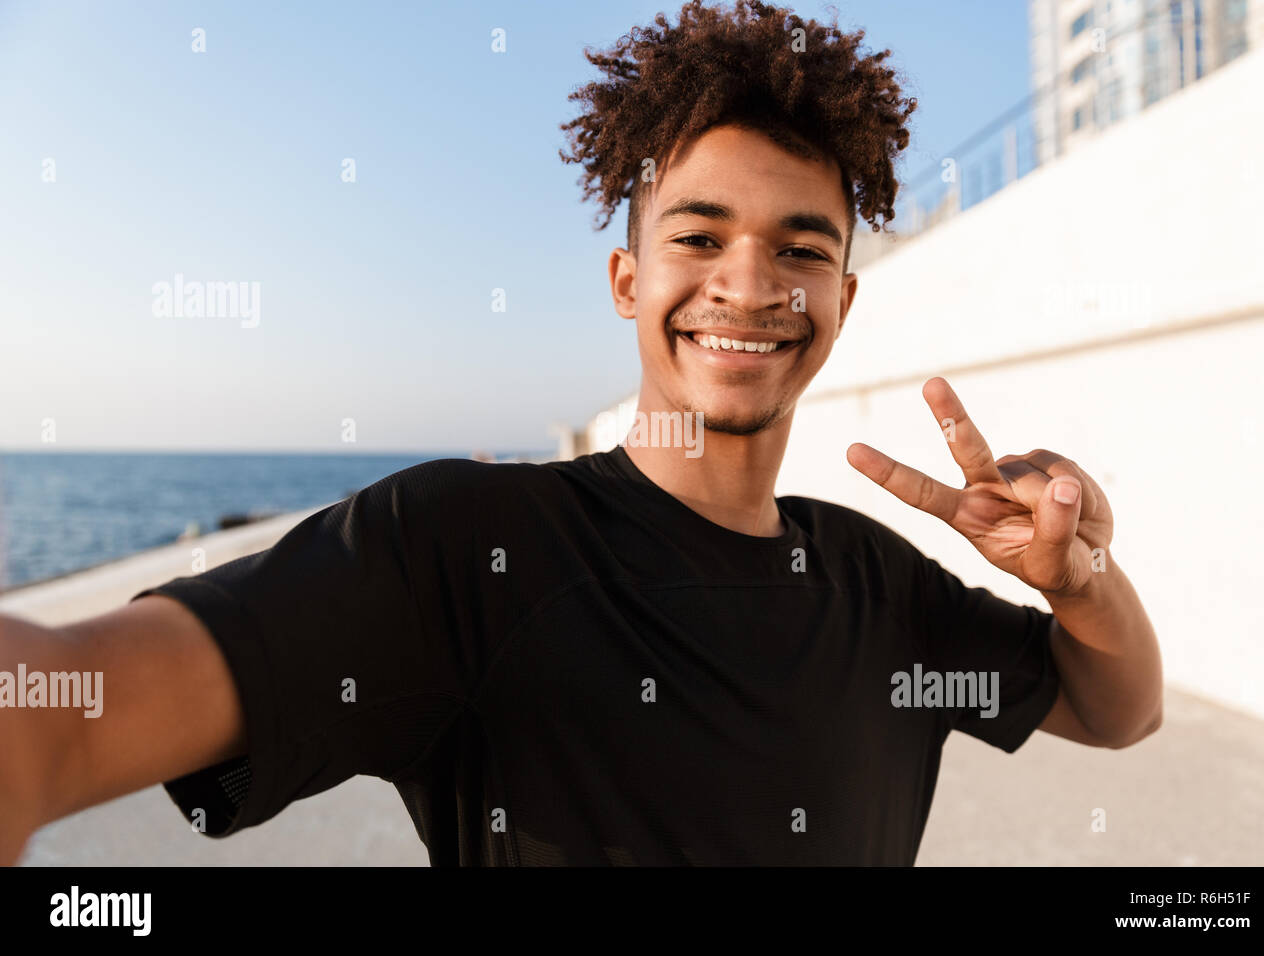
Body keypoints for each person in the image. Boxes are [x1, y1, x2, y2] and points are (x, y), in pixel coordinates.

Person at [0, 0, 1161, 866]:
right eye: (699, 236)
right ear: (625, 275)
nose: (750, 282)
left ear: (842, 300)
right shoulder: (463, 550)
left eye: (802, 248)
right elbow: (51, 715)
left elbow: (1120, 710)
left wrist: (1080, 579)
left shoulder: (877, 585)